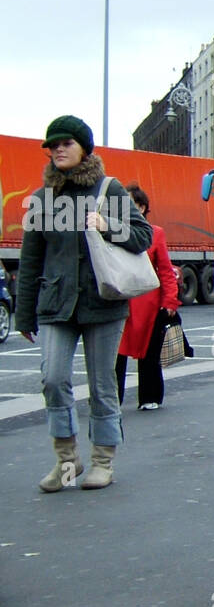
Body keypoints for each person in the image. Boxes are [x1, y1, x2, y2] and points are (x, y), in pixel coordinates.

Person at [15, 115, 152, 490]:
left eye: (65, 144)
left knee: (102, 384)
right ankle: (66, 460)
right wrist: (23, 314)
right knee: (53, 378)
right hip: (56, 303)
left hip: (102, 301)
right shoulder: (42, 199)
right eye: (52, 146)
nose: (57, 150)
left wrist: (109, 225)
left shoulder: (110, 190)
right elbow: (30, 261)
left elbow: (143, 237)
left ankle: (103, 461)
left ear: (84, 148)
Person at [115, 185, 180, 409]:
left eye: (130, 204)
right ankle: (112, 400)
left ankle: (150, 397)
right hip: (119, 299)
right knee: (115, 354)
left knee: (150, 353)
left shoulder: (155, 233)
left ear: (142, 208)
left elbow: (165, 270)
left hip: (147, 305)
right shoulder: (112, 231)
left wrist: (170, 300)